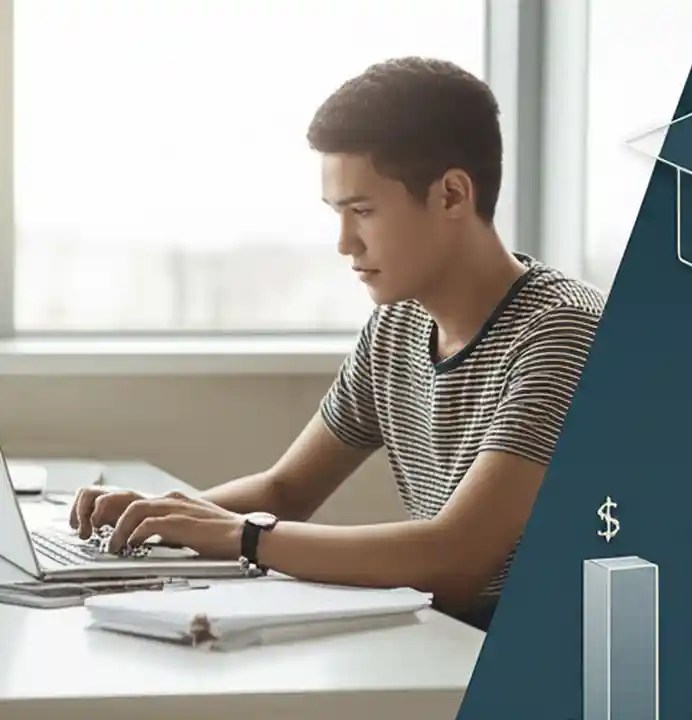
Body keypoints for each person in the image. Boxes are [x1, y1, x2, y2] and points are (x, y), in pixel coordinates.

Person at [65, 57, 604, 631]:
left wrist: (240, 535)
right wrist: (163, 517)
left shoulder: (565, 330)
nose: (345, 243)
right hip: (453, 639)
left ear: (451, 195)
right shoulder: (397, 327)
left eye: (363, 212)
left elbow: (458, 557)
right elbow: (287, 488)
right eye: (336, 214)